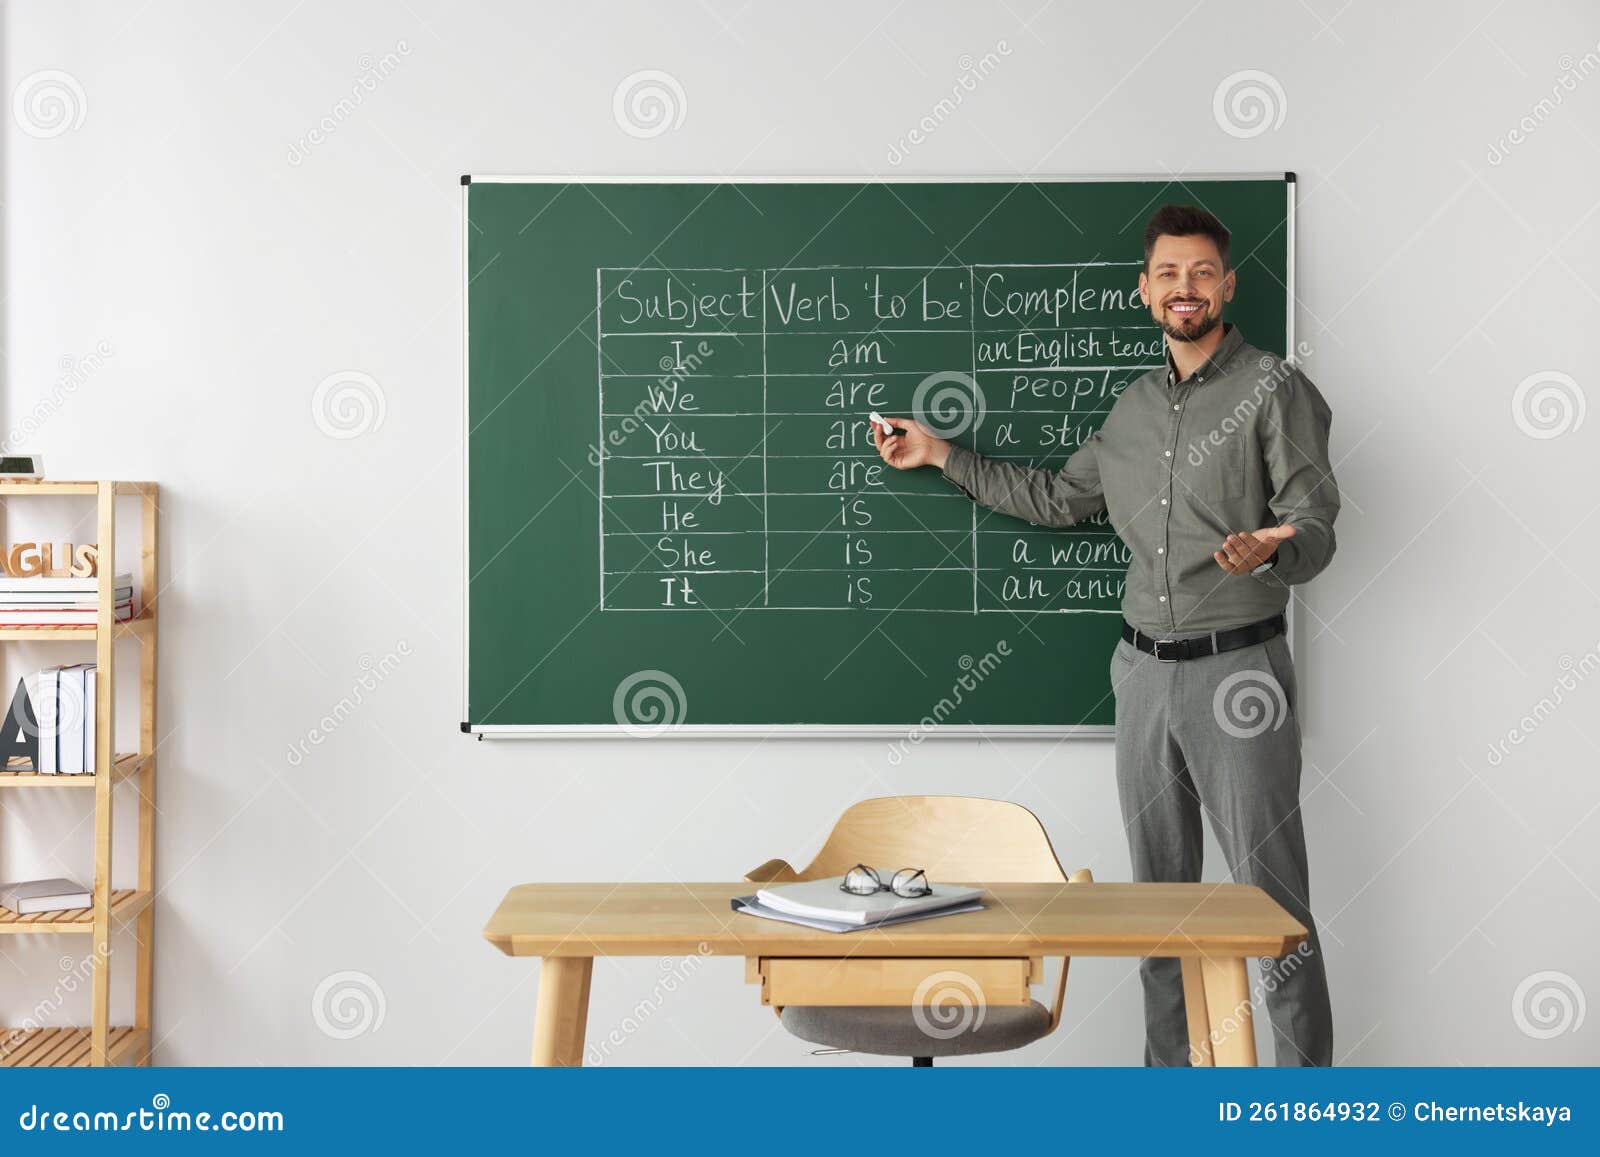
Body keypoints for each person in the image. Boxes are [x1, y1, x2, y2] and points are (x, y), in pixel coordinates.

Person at [871, 203, 1338, 1067]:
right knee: (1155, 911)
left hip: (1238, 672)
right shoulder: (1133, 408)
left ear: (1228, 285)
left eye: (1202, 272)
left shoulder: (1274, 389)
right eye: (1169, 274)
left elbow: (1314, 523)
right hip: (1141, 674)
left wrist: (1275, 546)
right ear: (1145, 290)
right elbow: (1058, 499)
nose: (1186, 288)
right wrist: (941, 455)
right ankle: (1167, 1103)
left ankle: (1302, 1107)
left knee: (1274, 910)